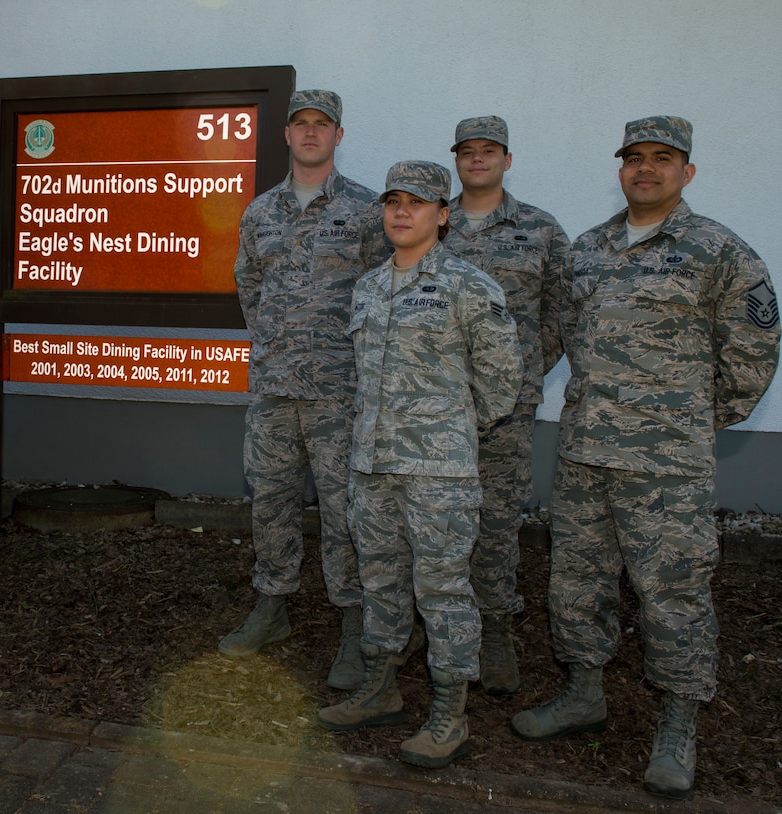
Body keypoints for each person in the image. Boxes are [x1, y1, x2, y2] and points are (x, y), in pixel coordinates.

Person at [511, 116, 779, 799]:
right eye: (635, 157)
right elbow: (570, 332)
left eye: (662, 158)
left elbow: (753, 354)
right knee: (576, 583)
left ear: (687, 171)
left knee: (673, 593)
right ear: (621, 169)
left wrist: (687, 422)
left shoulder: (718, 250)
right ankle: (584, 693)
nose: (646, 168)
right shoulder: (588, 249)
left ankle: (679, 722)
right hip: (584, 456)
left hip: (667, 466)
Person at [316, 161, 521, 769]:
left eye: (417, 201)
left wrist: (449, 432)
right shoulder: (368, 287)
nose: (401, 211)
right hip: (373, 468)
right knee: (379, 581)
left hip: (439, 474)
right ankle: (380, 689)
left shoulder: (469, 285)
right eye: (393, 201)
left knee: (443, 590)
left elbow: (501, 381)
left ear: (443, 214)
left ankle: (450, 715)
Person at [220, 89, 387, 690]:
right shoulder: (260, 212)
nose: (311, 133)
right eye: (301, 124)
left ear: (338, 135)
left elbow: (383, 292)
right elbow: (249, 288)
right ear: (287, 135)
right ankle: (272, 606)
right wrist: (278, 346)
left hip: (340, 391)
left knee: (345, 510)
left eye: (323, 124)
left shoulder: (367, 210)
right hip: (274, 387)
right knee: (270, 499)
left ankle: (354, 622)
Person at [440, 116, 569, 695]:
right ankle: (433, 623)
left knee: (496, 519)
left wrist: (521, 373)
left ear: (506, 160)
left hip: (507, 410)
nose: (477, 159)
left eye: (488, 150)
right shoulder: (431, 220)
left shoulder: (540, 230)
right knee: (433, 518)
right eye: (467, 151)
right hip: (435, 403)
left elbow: (560, 313)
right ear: (456, 160)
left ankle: (494, 630)